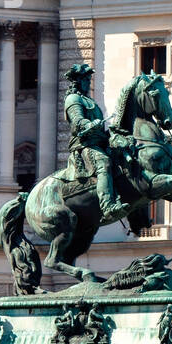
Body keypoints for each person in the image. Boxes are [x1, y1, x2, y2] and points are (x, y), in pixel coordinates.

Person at [64, 63, 130, 224]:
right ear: (77, 81)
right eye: (85, 79)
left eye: (89, 79)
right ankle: (107, 206)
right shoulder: (73, 99)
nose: (88, 82)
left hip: (99, 142)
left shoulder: (89, 100)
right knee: (104, 163)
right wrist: (89, 124)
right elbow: (77, 122)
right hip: (84, 145)